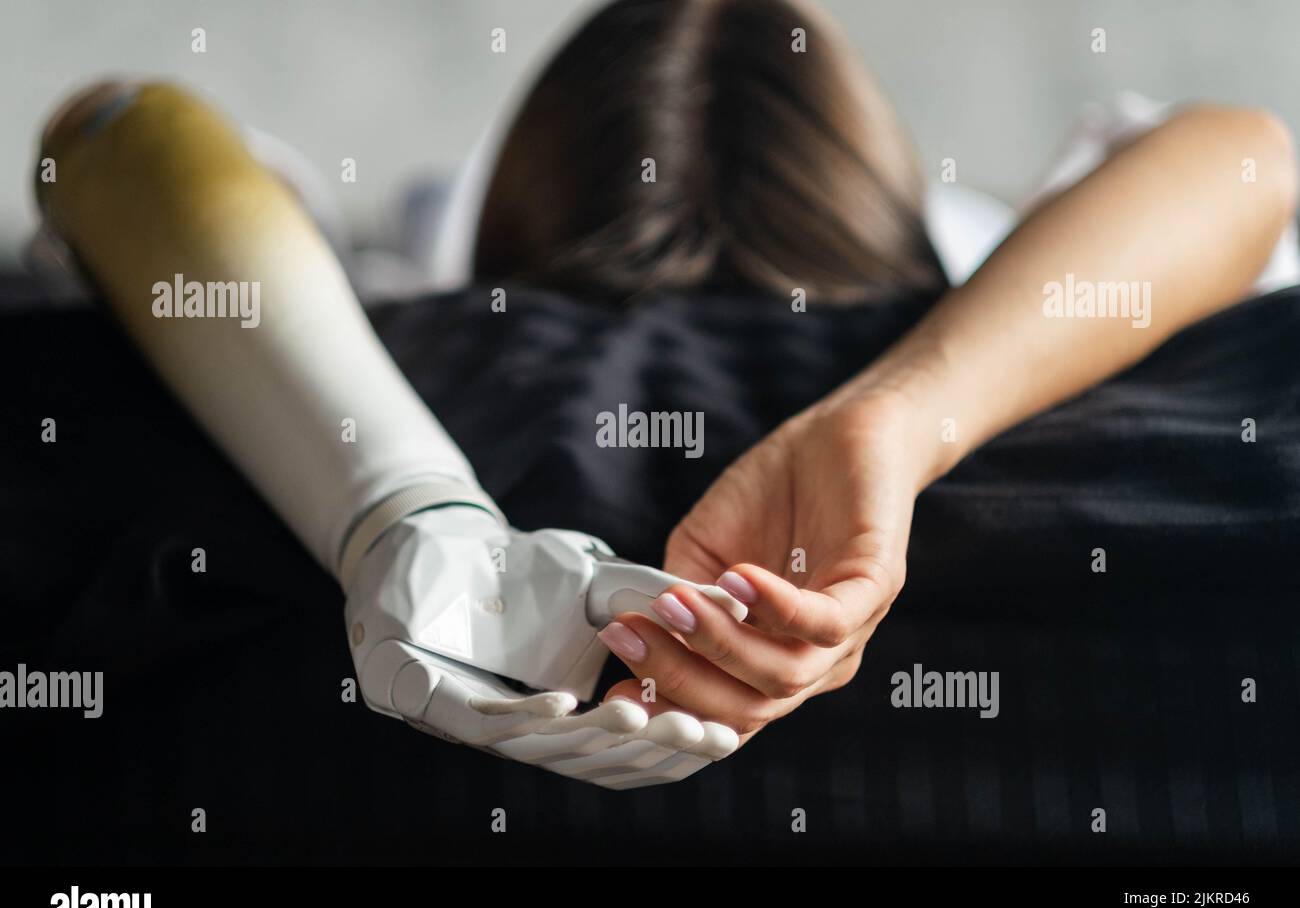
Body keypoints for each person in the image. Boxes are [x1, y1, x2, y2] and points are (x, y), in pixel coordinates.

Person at [34, 0, 1296, 777]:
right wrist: (902, 411)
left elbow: (112, 125)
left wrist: (402, 510)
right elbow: (1248, 162)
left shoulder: (386, 299)